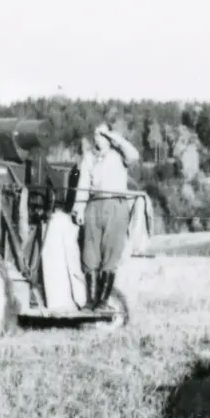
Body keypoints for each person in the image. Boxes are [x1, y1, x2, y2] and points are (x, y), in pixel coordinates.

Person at [71, 123, 141, 309]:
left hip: (115, 205)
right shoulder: (88, 158)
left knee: (111, 255)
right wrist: (79, 208)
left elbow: (134, 155)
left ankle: (103, 302)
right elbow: (83, 183)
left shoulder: (119, 155)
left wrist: (113, 136)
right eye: (96, 134)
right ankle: (90, 302)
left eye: (102, 135)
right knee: (90, 254)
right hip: (93, 206)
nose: (98, 138)